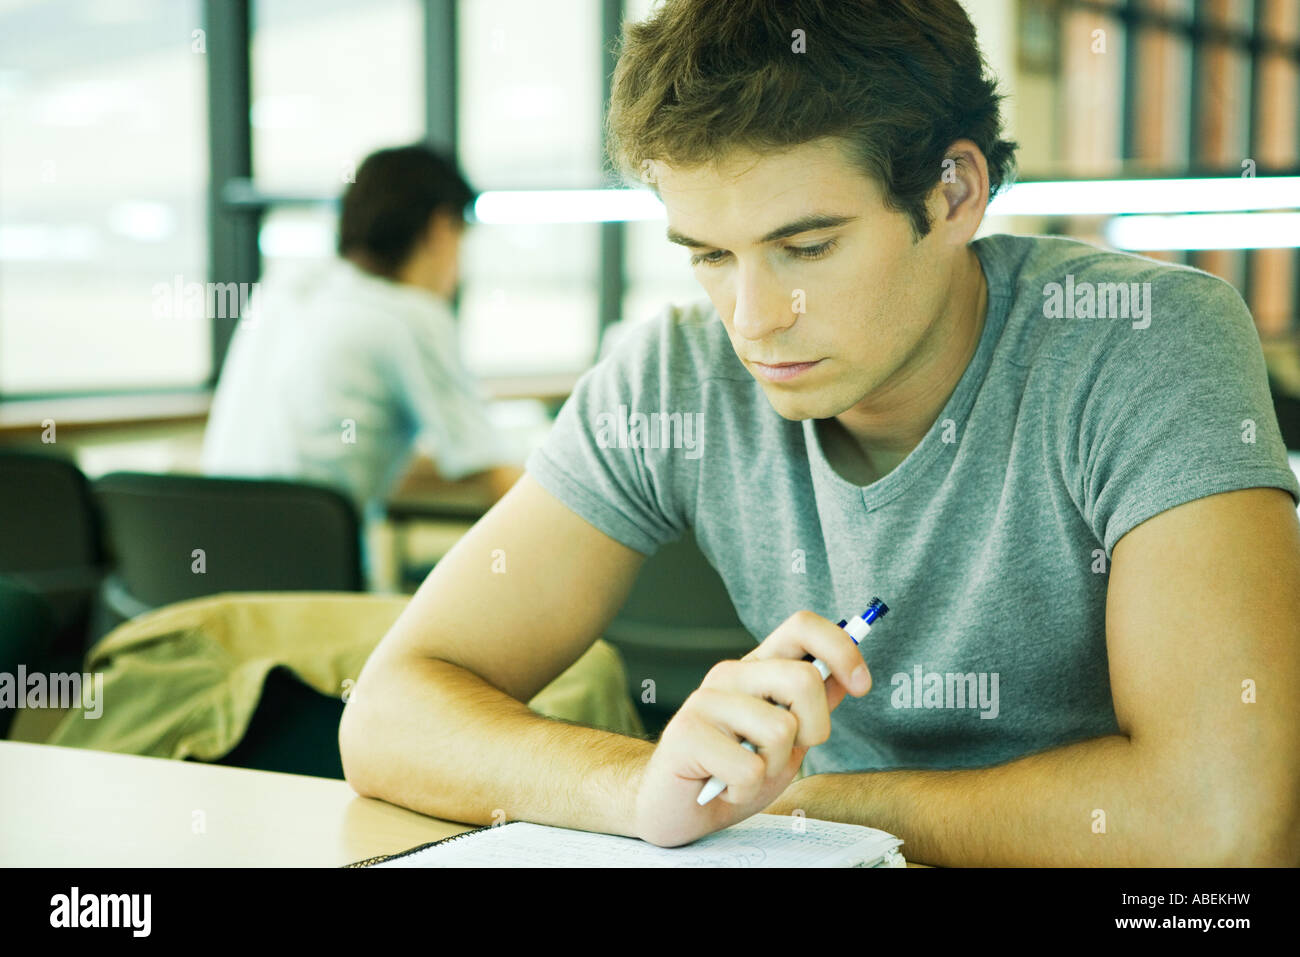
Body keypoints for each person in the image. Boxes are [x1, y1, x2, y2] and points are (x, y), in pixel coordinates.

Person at [339, 0, 1300, 864]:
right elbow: (389, 713)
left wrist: (801, 808)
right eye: (711, 254)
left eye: (807, 247)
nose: (752, 318)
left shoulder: (1144, 344)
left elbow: (1223, 823)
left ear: (953, 194)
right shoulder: (673, 377)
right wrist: (648, 787)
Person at [201, 145, 521, 529]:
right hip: (309, 579)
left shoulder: (284, 288)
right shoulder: (409, 317)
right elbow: (491, 474)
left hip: (211, 564)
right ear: (440, 229)